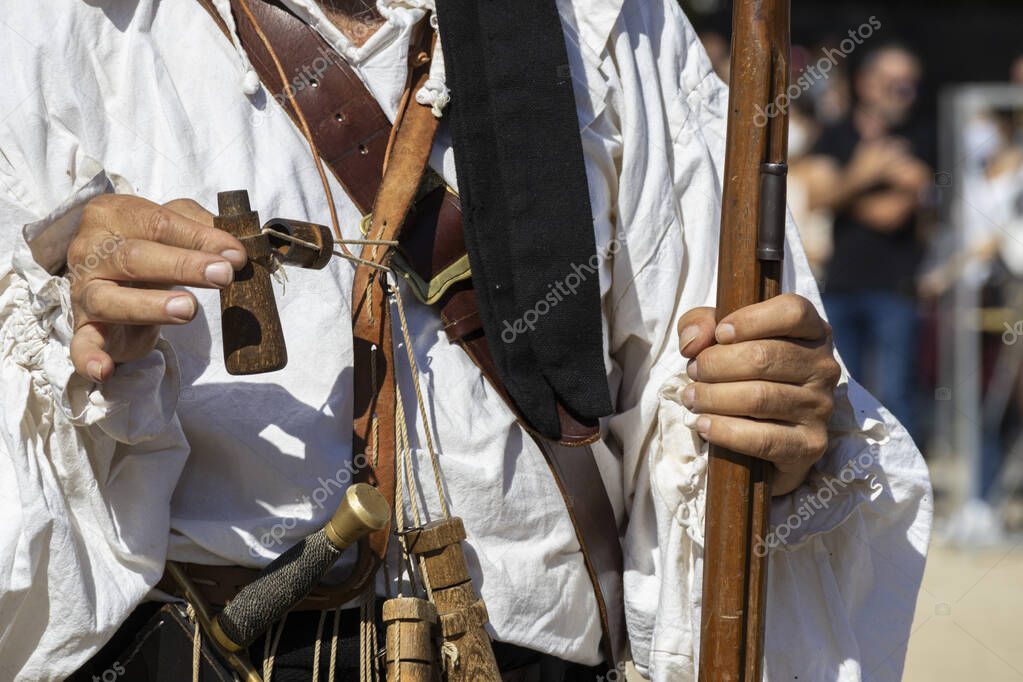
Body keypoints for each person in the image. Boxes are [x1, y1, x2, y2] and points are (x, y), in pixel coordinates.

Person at [0, 2, 931, 681]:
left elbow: (719, 398)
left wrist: (781, 417)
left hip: (533, 657)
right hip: (211, 649)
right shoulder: (66, 26)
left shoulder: (611, 22)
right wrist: (56, 291)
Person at [802, 43, 934, 439]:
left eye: (909, 85)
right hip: (841, 284)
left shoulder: (922, 134)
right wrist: (867, 171)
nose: (901, 93)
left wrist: (846, 189)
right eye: (891, 83)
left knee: (896, 393)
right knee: (841, 393)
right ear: (865, 84)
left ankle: (904, 493)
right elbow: (816, 197)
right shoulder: (836, 134)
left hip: (896, 288)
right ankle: (849, 490)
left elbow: (895, 212)